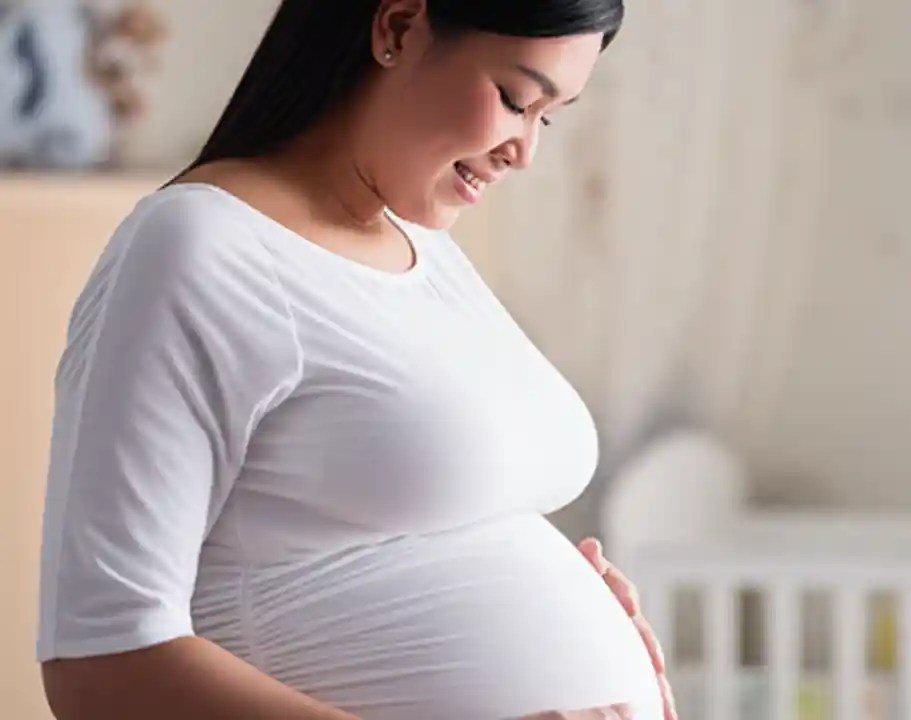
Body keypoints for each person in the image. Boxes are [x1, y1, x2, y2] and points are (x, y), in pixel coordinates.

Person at [36, 1, 677, 718]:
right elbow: (99, 665)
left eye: (547, 117)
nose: (524, 150)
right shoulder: (200, 247)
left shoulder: (425, 249)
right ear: (398, 29)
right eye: (514, 99)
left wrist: (588, 606)